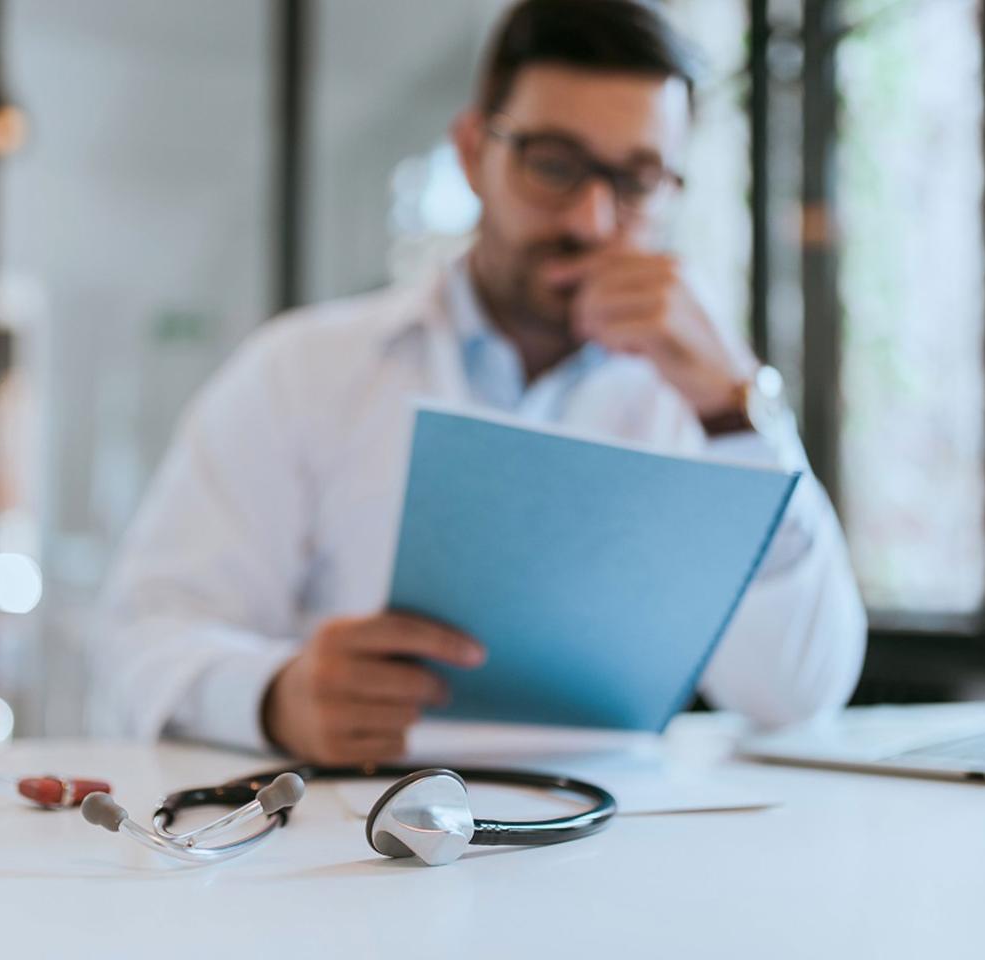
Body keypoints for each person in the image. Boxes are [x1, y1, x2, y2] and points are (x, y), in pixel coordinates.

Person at [90, 0, 867, 763]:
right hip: (352, 850)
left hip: (615, 851)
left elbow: (797, 693)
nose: (593, 221)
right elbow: (140, 642)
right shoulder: (299, 372)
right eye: (555, 166)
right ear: (472, 152)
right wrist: (275, 696)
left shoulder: (698, 406)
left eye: (637, 181)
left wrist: (734, 408)